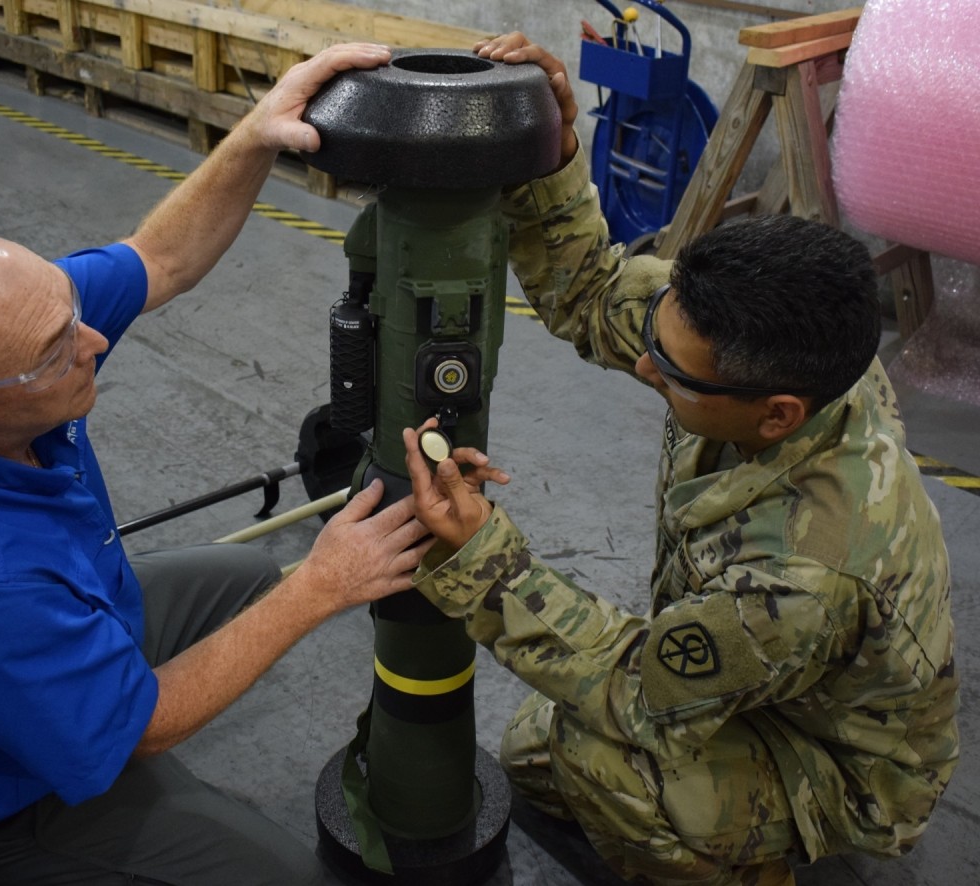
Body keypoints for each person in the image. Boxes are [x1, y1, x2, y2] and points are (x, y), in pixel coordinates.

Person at [0, 42, 433, 885]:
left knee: (246, 576)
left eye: (69, 311)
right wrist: (324, 583)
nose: (94, 342)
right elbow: (147, 726)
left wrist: (256, 133)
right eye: (53, 350)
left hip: (68, 603)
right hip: (3, 803)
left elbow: (161, 258)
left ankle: (90, 679)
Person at [399, 32, 960, 886]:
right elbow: (591, 294)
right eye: (659, 330)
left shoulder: (810, 573)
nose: (646, 365)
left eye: (672, 371)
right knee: (529, 749)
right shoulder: (771, 346)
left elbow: (637, 684)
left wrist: (482, 557)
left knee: (602, 754)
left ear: (777, 415)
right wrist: (554, 153)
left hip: (846, 761)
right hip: (758, 668)